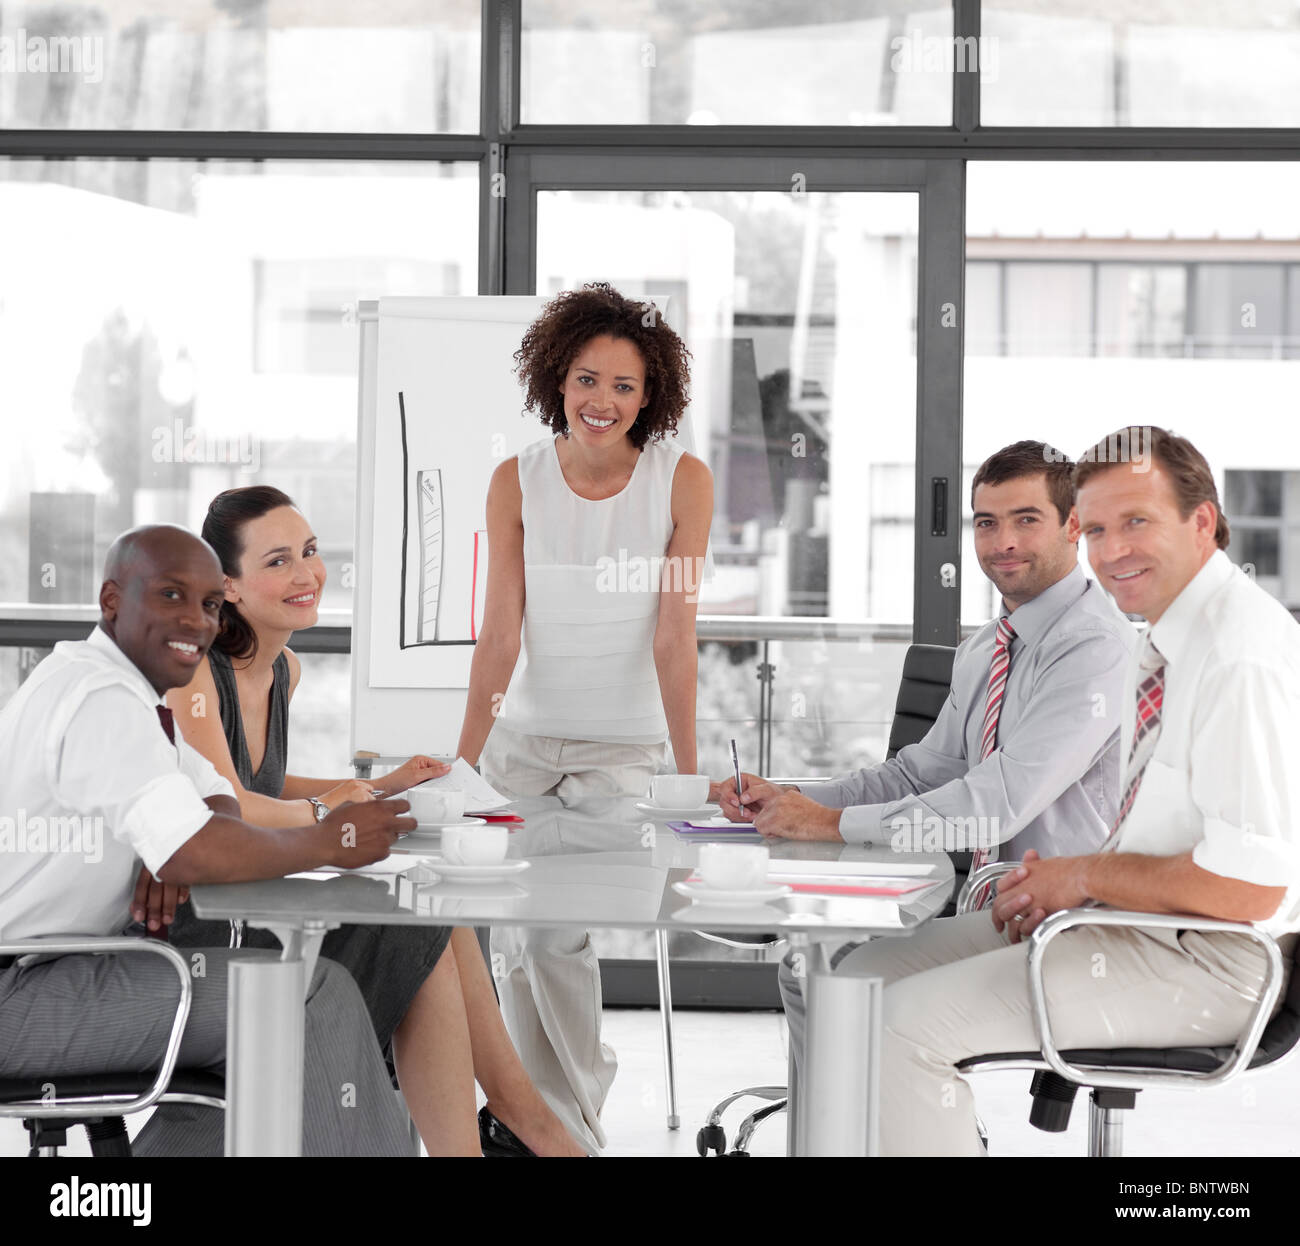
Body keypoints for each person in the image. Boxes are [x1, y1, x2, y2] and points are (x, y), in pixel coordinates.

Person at [793, 426, 1300, 1155]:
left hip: (1211, 961)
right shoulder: (1165, 641)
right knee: (854, 981)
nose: (1112, 550)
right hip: (1131, 922)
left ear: (1202, 521)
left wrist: (1085, 874)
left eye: (1136, 522)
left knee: (896, 1023)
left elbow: (1249, 889)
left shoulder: (1237, 655)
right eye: (1096, 528)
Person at [164, 485, 585, 1157]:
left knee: (426, 921)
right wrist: (334, 811)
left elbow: (262, 782)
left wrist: (372, 787)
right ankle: (523, 1125)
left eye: (309, 551)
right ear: (230, 588)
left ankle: (508, 1128)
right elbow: (229, 806)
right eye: (277, 561)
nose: (306, 574)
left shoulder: (284, 672)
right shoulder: (197, 677)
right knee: (418, 925)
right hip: (209, 919)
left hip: (262, 896)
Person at [718, 441, 1136, 1073]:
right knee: (813, 969)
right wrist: (792, 799)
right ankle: (840, 1140)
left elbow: (993, 805)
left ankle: (881, 1129)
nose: (1003, 542)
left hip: (1065, 917)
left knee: (854, 989)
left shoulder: (1095, 648)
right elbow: (918, 773)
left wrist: (828, 824)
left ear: (1073, 524)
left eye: (1027, 519)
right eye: (986, 522)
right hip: (980, 895)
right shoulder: (986, 648)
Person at [0, 525, 415, 1157]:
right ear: (112, 599)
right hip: (20, 997)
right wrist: (330, 843)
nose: (196, 621)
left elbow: (216, 794)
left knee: (308, 987)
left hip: (61, 970)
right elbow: (196, 842)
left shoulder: (136, 699)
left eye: (210, 605)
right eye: (171, 596)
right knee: (302, 998)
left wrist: (170, 848)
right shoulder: (99, 698)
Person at [455, 282, 714, 1151]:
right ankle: (553, 1118)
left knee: (551, 932)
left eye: (624, 386)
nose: (602, 401)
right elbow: (499, 635)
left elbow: (675, 637)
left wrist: (685, 776)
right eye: (587, 380)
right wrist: (463, 766)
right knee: (518, 940)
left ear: (652, 398)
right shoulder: (515, 480)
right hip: (524, 746)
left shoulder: (683, 481)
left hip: (623, 751)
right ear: (556, 379)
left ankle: (560, 1125)